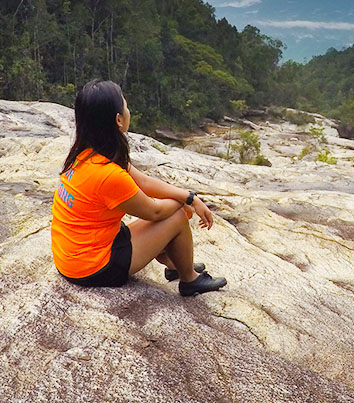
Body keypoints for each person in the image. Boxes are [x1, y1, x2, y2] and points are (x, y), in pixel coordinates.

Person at [51, 79, 227, 296]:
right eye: (125, 106)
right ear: (118, 120)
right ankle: (189, 279)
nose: (128, 110)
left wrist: (189, 197)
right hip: (93, 268)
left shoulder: (87, 155)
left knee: (172, 212)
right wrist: (184, 204)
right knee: (177, 216)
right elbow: (154, 211)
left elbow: (143, 182)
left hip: (74, 256)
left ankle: (176, 266)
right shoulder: (108, 174)